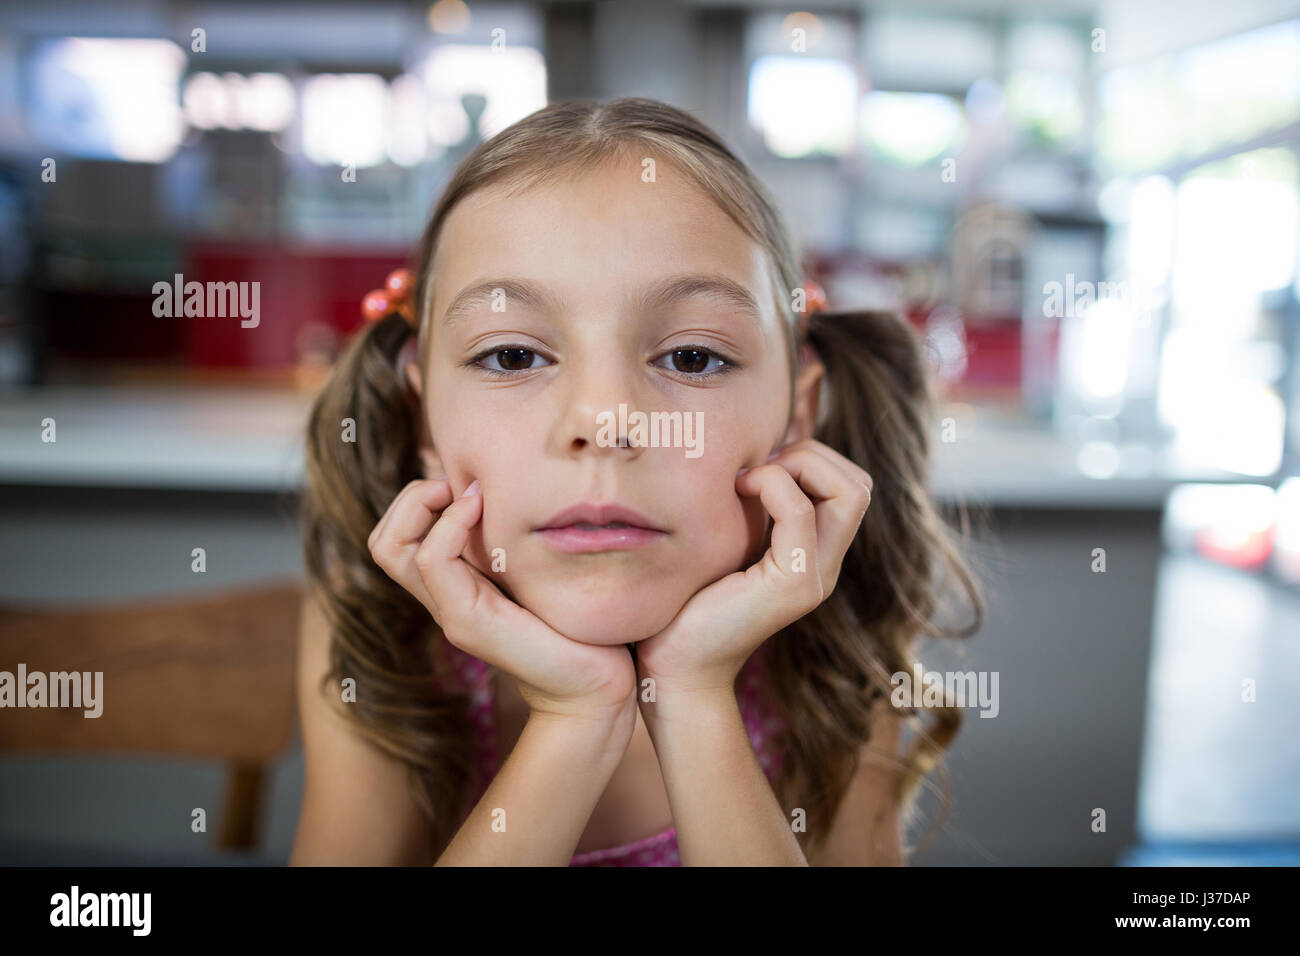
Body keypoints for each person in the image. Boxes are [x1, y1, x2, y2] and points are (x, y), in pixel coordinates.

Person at [290, 97, 983, 866]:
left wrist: (691, 696)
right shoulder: (380, 630)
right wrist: (575, 714)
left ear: (796, 414)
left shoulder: (839, 643)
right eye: (512, 356)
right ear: (423, 419)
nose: (608, 422)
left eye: (692, 357)